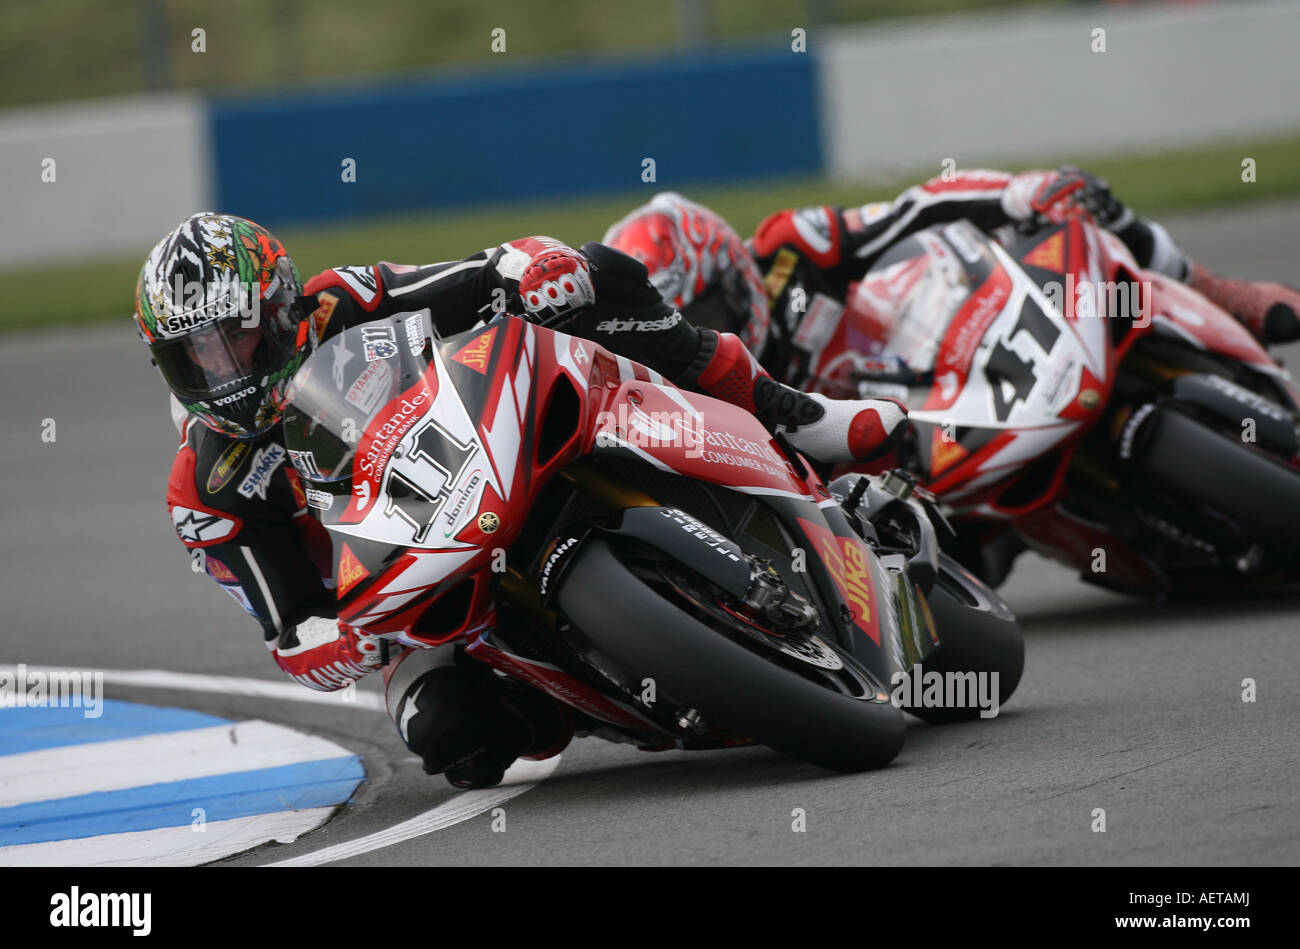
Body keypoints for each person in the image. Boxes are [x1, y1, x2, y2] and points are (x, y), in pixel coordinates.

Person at [136, 212, 910, 789]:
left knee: (601, 274)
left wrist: (528, 270)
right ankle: (581, 698)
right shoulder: (207, 488)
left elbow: (473, 279)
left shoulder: (343, 302)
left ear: (276, 308)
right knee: (451, 738)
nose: (222, 371)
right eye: (192, 357)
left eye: (230, 339)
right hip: (395, 593)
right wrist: (344, 641)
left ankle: (790, 414)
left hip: (467, 459)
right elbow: (289, 631)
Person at [602, 171, 1300, 392]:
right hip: (921, 471)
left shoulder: (790, 248)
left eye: (708, 306)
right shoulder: (706, 390)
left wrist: (1016, 195)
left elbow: (917, 206)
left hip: (967, 347)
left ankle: (1219, 291)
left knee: (1083, 212)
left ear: (730, 265)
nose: (705, 329)